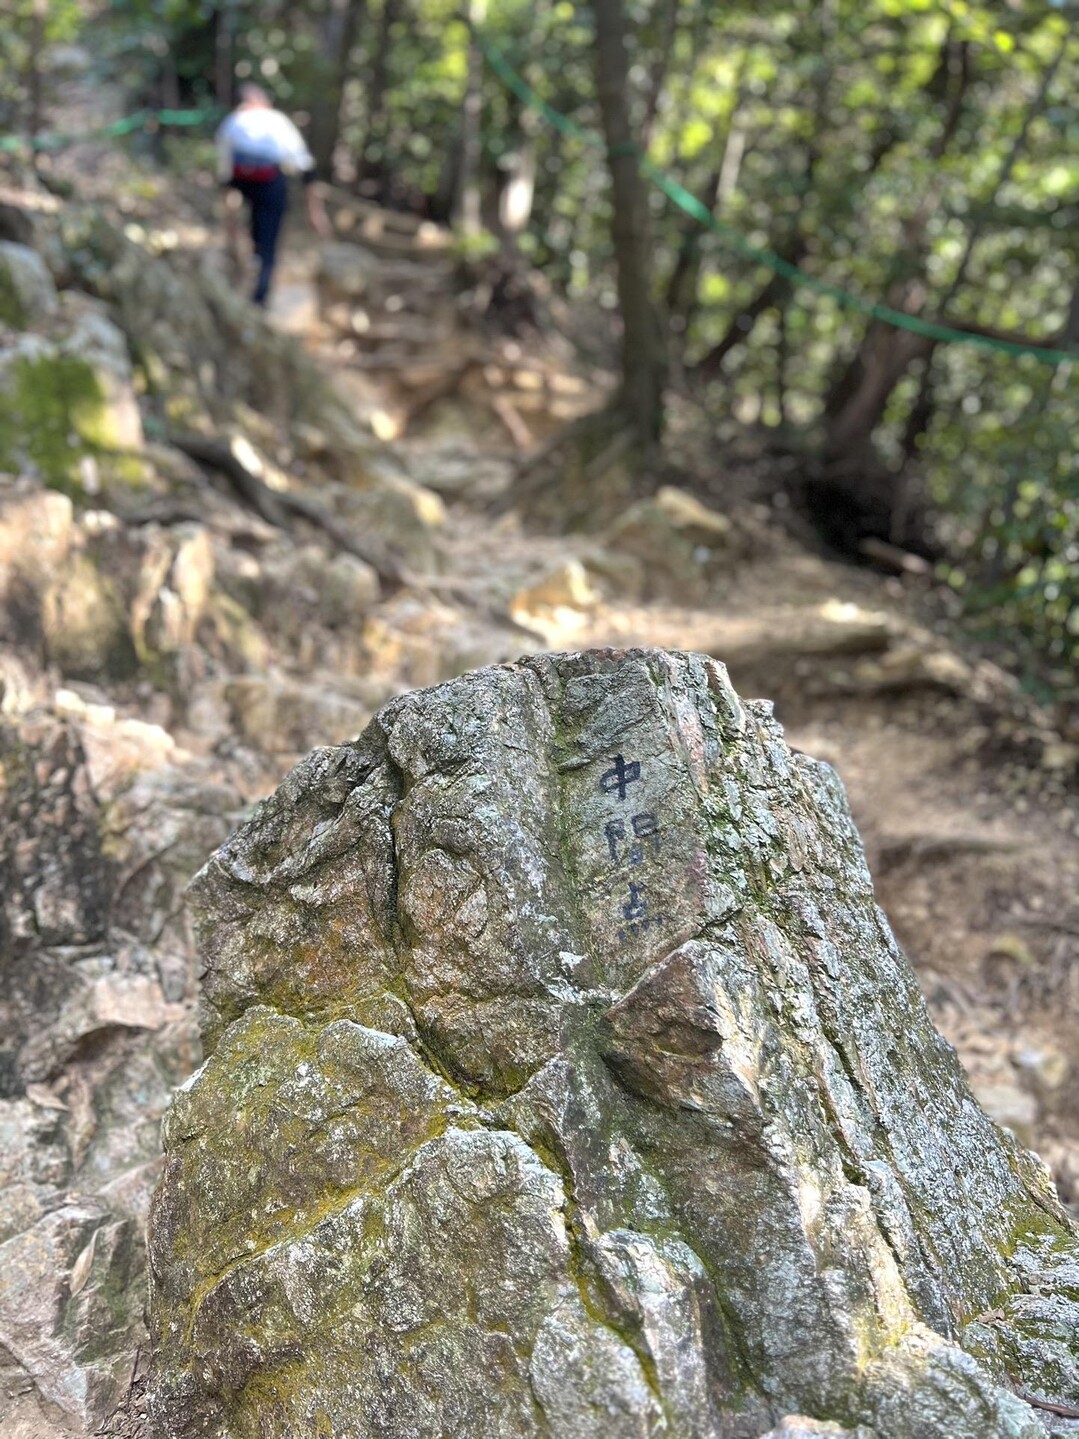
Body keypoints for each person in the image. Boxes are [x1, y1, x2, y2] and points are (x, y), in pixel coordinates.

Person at [216, 83, 330, 306]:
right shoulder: (276, 120)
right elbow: (304, 165)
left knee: (256, 230)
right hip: (269, 184)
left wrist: (228, 213)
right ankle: (260, 295)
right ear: (260, 100)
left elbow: (224, 171)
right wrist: (315, 212)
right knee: (268, 240)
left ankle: (249, 268)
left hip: (241, 183)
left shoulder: (231, 122)